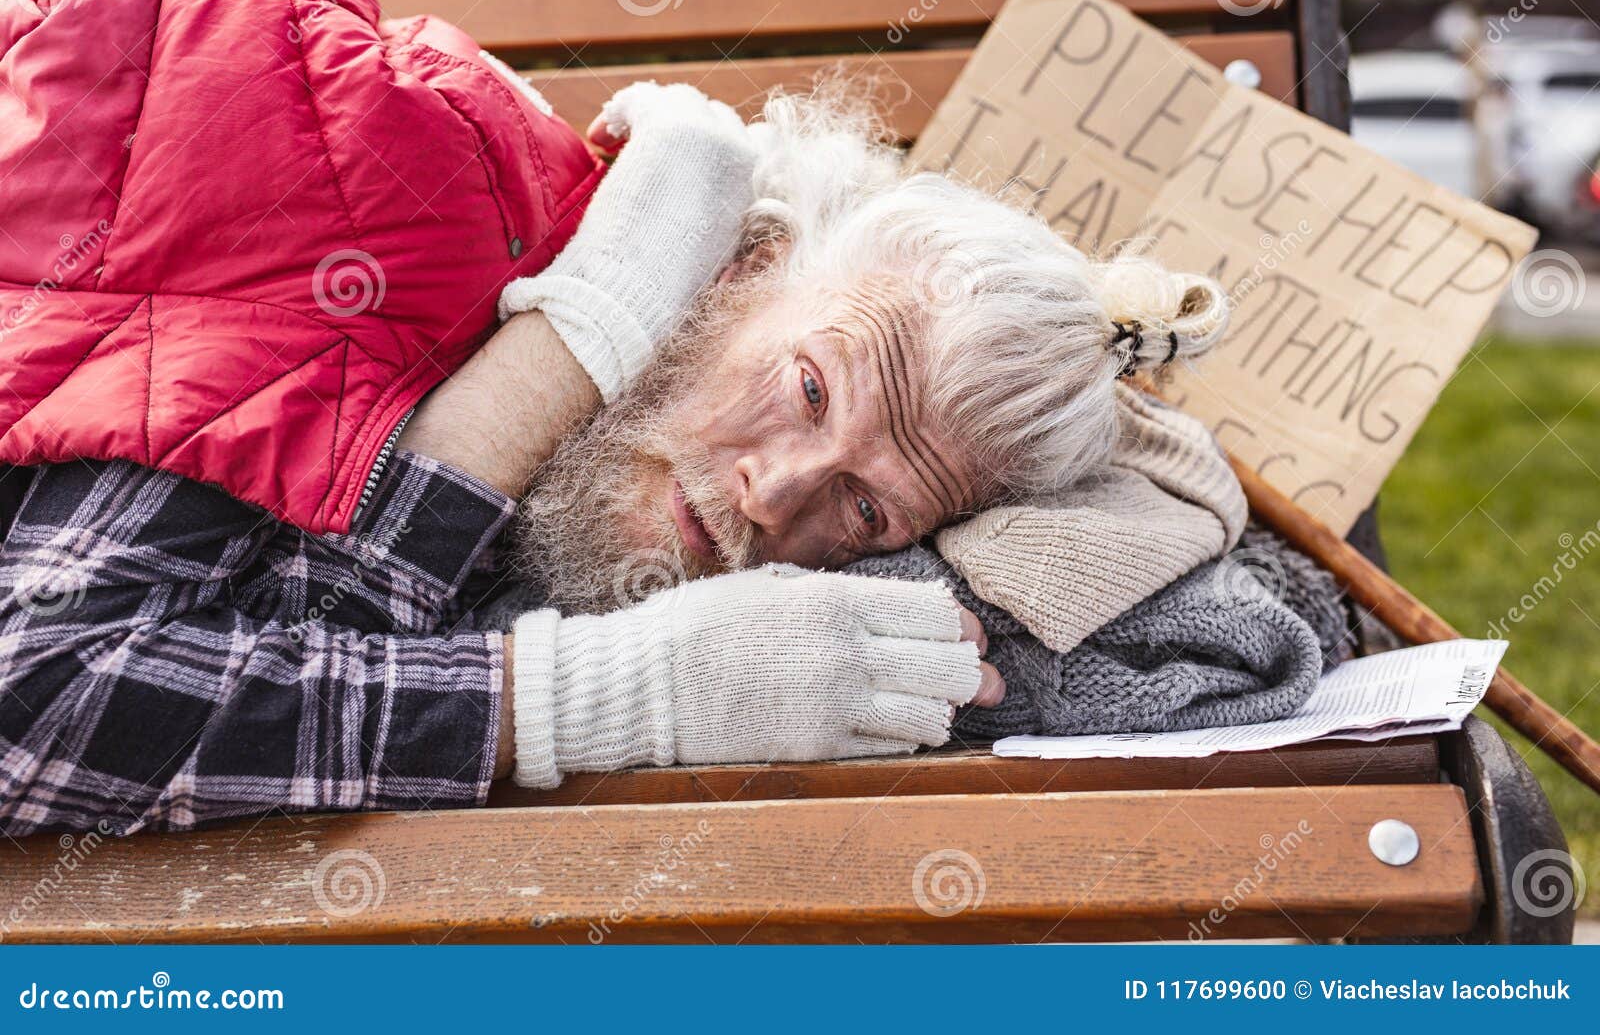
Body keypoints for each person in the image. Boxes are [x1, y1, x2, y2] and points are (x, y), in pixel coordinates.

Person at [0, 69, 1227, 834]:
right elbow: (33, 704)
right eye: (807, 387)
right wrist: (613, 691)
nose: (776, 494)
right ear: (738, 264)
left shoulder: (571, 454)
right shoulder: (397, 233)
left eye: (865, 514)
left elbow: (264, 636)